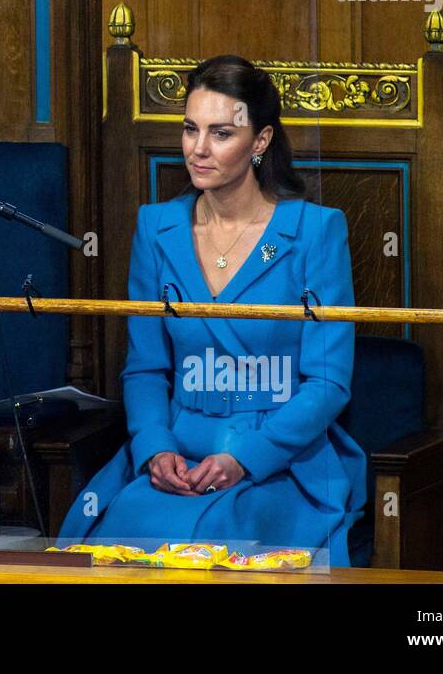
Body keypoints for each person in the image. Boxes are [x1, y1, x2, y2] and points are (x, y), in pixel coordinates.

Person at [56, 55, 366, 565]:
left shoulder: (314, 231)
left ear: (260, 141)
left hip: (281, 460)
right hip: (178, 453)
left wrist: (245, 458)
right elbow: (146, 368)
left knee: (218, 541)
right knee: (116, 541)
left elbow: (329, 383)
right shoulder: (157, 228)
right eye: (190, 129)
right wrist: (155, 449)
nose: (198, 150)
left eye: (220, 134)